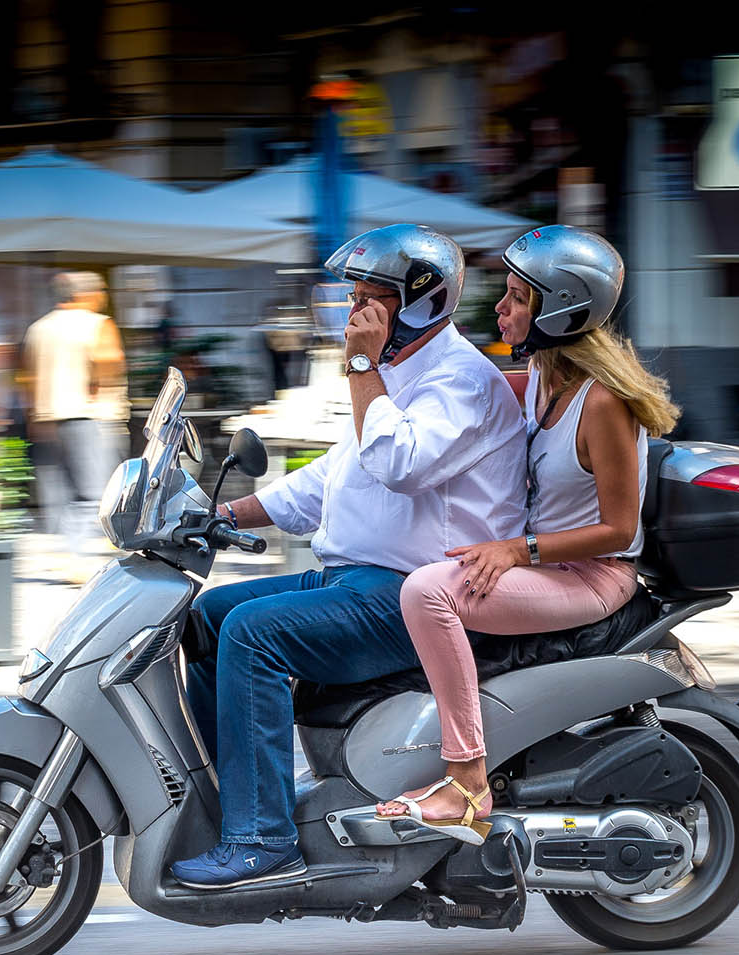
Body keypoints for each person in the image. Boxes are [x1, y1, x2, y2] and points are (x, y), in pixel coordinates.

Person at [169, 224, 527, 889]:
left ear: (419, 302)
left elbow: (397, 465)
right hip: (357, 579)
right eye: (354, 296)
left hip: (415, 594)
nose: (353, 312)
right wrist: (219, 516)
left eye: (369, 296)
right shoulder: (396, 374)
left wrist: (361, 366)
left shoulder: (460, 382)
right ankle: (231, 805)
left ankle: (262, 839)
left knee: (255, 634)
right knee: (209, 616)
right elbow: (331, 478)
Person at [376, 225, 680, 842]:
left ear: (560, 312)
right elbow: (466, 399)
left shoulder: (603, 404)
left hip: (593, 577)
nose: (500, 308)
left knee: (427, 592)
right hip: (544, 568)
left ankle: (466, 781)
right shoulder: (541, 376)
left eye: (516, 297)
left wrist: (520, 549)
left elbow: (620, 530)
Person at [24, 270, 127, 577]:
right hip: (89, 414)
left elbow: (28, 376)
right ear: (87, 294)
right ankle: (75, 556)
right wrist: (99, 383)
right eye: (102, 290)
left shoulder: (38, 328)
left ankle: (67, 549)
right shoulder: (96, 324)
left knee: (61, 490)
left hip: (47, 418)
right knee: (95, 490)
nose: (104, 296)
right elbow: (110, 361)